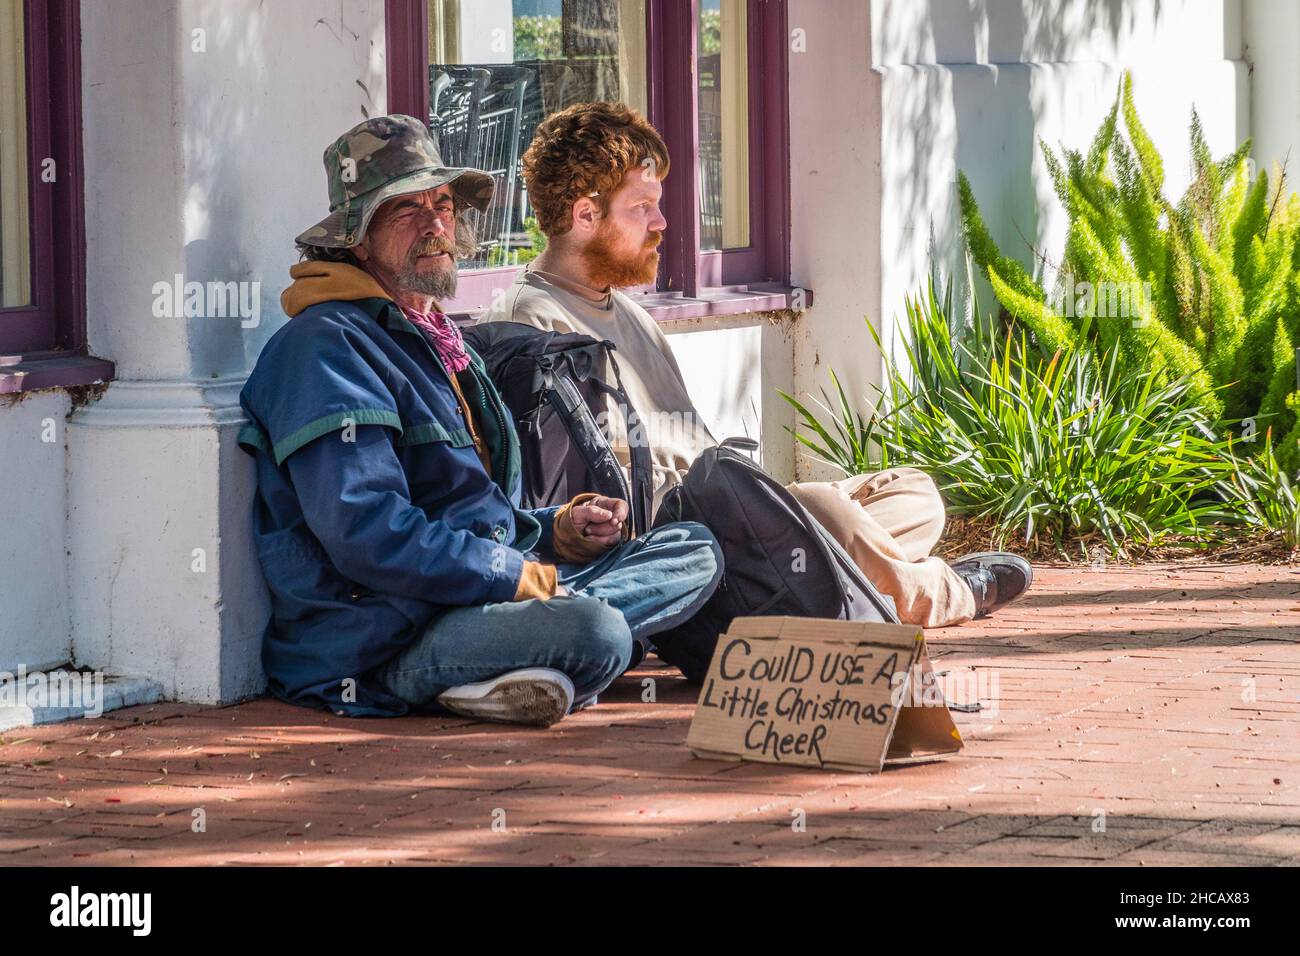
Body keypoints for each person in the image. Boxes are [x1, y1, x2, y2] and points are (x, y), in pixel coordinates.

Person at [237, 115, 722, 727]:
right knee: (596, 630)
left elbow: (474, 515)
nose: (436, 223)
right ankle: (512, 657)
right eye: (405, 209)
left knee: (694, 549)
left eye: (442, 204)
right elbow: (370, 534)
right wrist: (517, 576)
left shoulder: (433, 337)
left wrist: (555, 531)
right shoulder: (325, 347)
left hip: (477, 596)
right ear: (357, 238)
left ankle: (518, 662)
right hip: (382, 639)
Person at [479, 102, 1031, 630]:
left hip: (737, 506)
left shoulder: (626, 311)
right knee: (821, 512)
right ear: (584, 214)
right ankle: (943, 591)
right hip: (678, 537)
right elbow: (571, 494)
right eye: (641, 207)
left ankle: (835, 568)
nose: (663, 222)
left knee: (912, 493)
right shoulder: (530, 326)